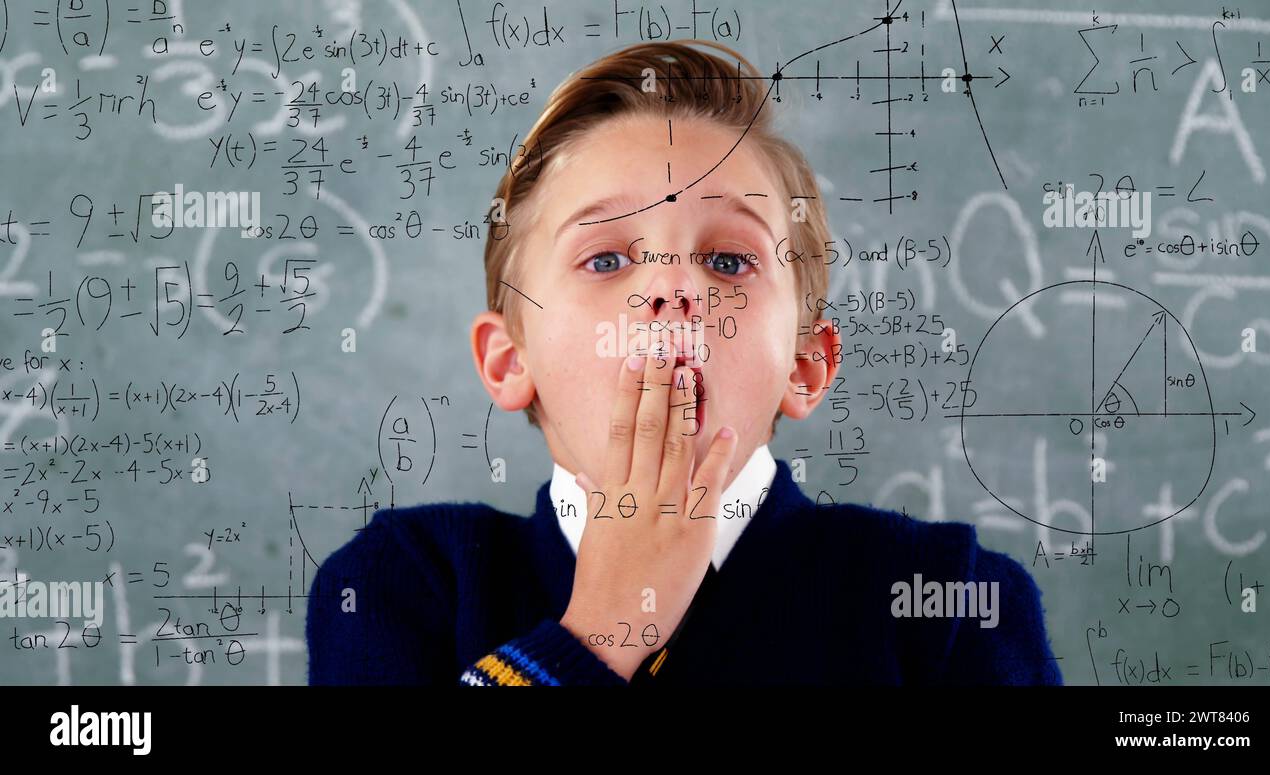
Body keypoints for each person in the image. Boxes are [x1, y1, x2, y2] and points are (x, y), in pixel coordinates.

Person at [306, 39, 1063, 686]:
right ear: (510, 359)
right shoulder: (400, 581)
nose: (672, 286)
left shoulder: (952, 598)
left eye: (729, 261)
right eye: (605, 258)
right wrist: (600, 632)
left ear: (804, 364)